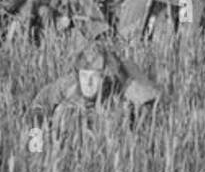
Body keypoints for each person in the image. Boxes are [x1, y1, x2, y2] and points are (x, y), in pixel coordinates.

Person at [32, 41, 160, 133]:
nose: (88, 83)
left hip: (107, 145)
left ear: (105, 77)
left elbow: (151, 103)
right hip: (66, 148)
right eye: (84, 76)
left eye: (94, 76)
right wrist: (36, 143)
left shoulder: (118, 88)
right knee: (63, 112)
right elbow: (38, 106)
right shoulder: (68, 85)